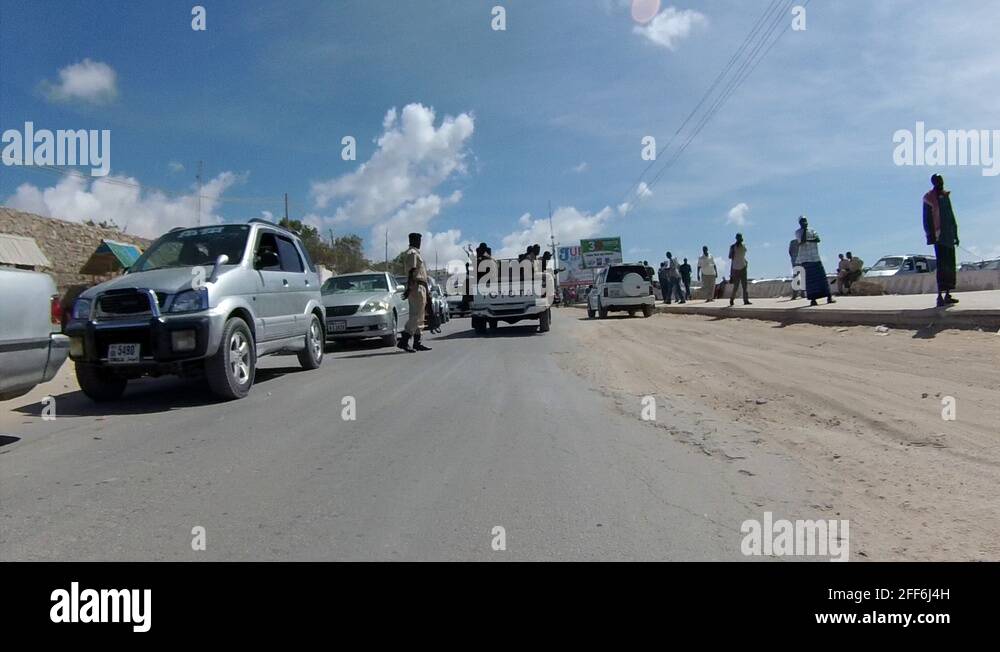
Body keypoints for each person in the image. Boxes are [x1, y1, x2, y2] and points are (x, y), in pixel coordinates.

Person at [923, 174, 960, 307]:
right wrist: (930, 235)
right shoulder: (928, 198)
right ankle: (939, 296)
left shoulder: (945, 196)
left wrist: (955, 234)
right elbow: (926, 219)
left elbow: (951, 215)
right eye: (938, 181)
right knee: (942, 266)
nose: (941, 183)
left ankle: (948, 294)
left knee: (950, 265)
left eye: (942, 180)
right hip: (939, 237)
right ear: (934, 183)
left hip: (949, 236)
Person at [399, 232, 431, 353]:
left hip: (421, 286)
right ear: (412, 241)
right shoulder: (412, 253)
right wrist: (409, 288)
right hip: (416, 286)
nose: (419, 242)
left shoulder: (417, 253)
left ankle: (417, 342)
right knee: (416, 315)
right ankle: (404, 340)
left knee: (421, 316)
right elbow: (411, 271)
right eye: (417, 240)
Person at [795, 216, 835, 306]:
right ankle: (813, 300)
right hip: (806, 259)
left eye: (805, 221)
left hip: (815, 257)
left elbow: (818, 239)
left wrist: (808, 239)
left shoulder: (812, 230)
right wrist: (805, 231)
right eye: (802, 221)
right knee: (810, 281)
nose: (805, 222)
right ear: (800, 223)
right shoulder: (798, 232)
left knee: (822, 278)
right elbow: (802, 241)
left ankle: (829, 297)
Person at [728, 233, 750, 306]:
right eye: (738, 238)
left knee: (745, 285)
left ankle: (746, 300)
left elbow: (742, 256)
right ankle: (732, 299)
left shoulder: (744, 246)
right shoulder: (733, 247)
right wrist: (731, 273)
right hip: (735, 268)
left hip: (743, 267)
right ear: (736, 238)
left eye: (740, 238)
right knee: (736, 286)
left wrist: (746, 263)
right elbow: (731, 258)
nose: (740, 239)